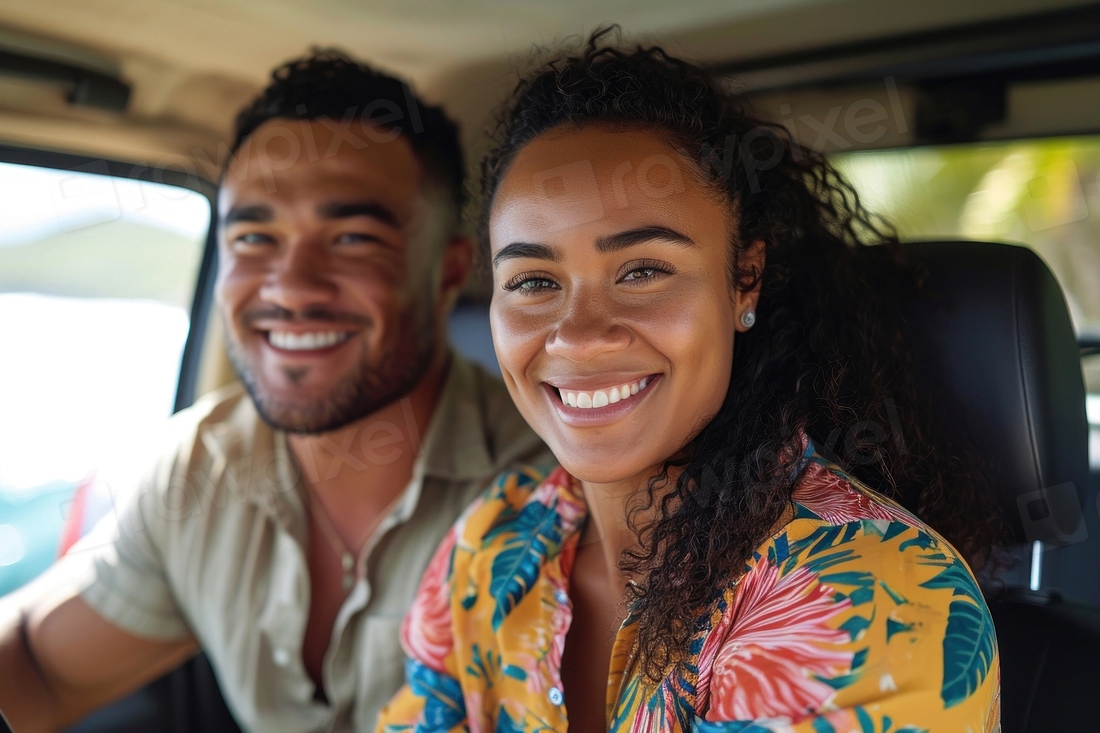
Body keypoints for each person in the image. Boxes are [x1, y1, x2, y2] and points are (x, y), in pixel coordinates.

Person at [378, 32, 1004, 733]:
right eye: (532, 281)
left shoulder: (874, 593)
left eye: (643, 271)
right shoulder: (490, 545)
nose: (579, 334)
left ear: (744, 280)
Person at [0, 52, 551, 732]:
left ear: (447, 274)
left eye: (351, 238)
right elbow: (40, 661)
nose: (290, 286)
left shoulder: (552, 489)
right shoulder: (200, 466)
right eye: (255, 236)